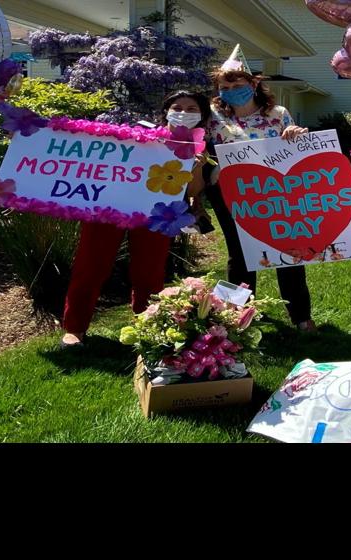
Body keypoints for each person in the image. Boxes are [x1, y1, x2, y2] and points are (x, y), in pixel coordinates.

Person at [58, 90, 212, 347]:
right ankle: (75, 328)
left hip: (157, 215)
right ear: (166, 112)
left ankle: (146, 325)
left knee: (150, 272)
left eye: (191, 109)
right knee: (90, 265)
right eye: (177, 107)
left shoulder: (197, 147)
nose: (183, 113)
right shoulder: (142, 134)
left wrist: (196, 166)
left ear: (202, 116)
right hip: (109, 208)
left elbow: (193, 191)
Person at [201, 48, 319, 333]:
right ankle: (233, 317)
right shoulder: (213, 116)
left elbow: (295, 150)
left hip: (274, 192)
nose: (231, 91)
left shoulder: (278, 114)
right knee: (238, 253)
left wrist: (296, 134)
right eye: (225, 87)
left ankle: (301, 317)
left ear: (253, 84)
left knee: (287, 250)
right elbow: (200, 148)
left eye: (238, 85)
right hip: (229, 192)